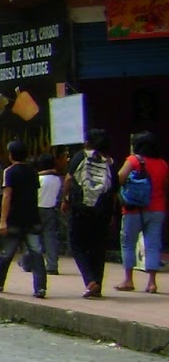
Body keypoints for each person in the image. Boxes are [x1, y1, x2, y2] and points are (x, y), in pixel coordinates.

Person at [0, 138, 47, 299]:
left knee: (8, 252)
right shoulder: (33, 172)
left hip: (14, 218)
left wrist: (3, 220)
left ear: (11, 155)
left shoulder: (9, 172)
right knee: (36, 253)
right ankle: (40, 287)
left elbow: (7, 196)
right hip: (32, 217)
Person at [65, 128, 116, 299]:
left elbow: (69, 179)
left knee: (77, 245)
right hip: (103, 210)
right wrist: (112, 213)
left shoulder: (81, 156)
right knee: (98, 248)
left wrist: (65, 199)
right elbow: (114, 189)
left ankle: (91, 280)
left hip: (81, 208)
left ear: (88, 142)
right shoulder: (110, 162)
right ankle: (98, 285)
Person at [118, 131, 167, 293]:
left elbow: (120, 177)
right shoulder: (163, 164)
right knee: (153, 244)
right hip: (157, 209)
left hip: (133, 208)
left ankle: (128, 280)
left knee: (128, 243)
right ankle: (152, 282)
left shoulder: (133, 160)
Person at [35, 152, 64, 275]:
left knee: (33, 237)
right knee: (50, 237)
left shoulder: (38, 179)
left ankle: (28, 262)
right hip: (51, 209)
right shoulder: (57, 179)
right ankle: (52, 264)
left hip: (37, 209)